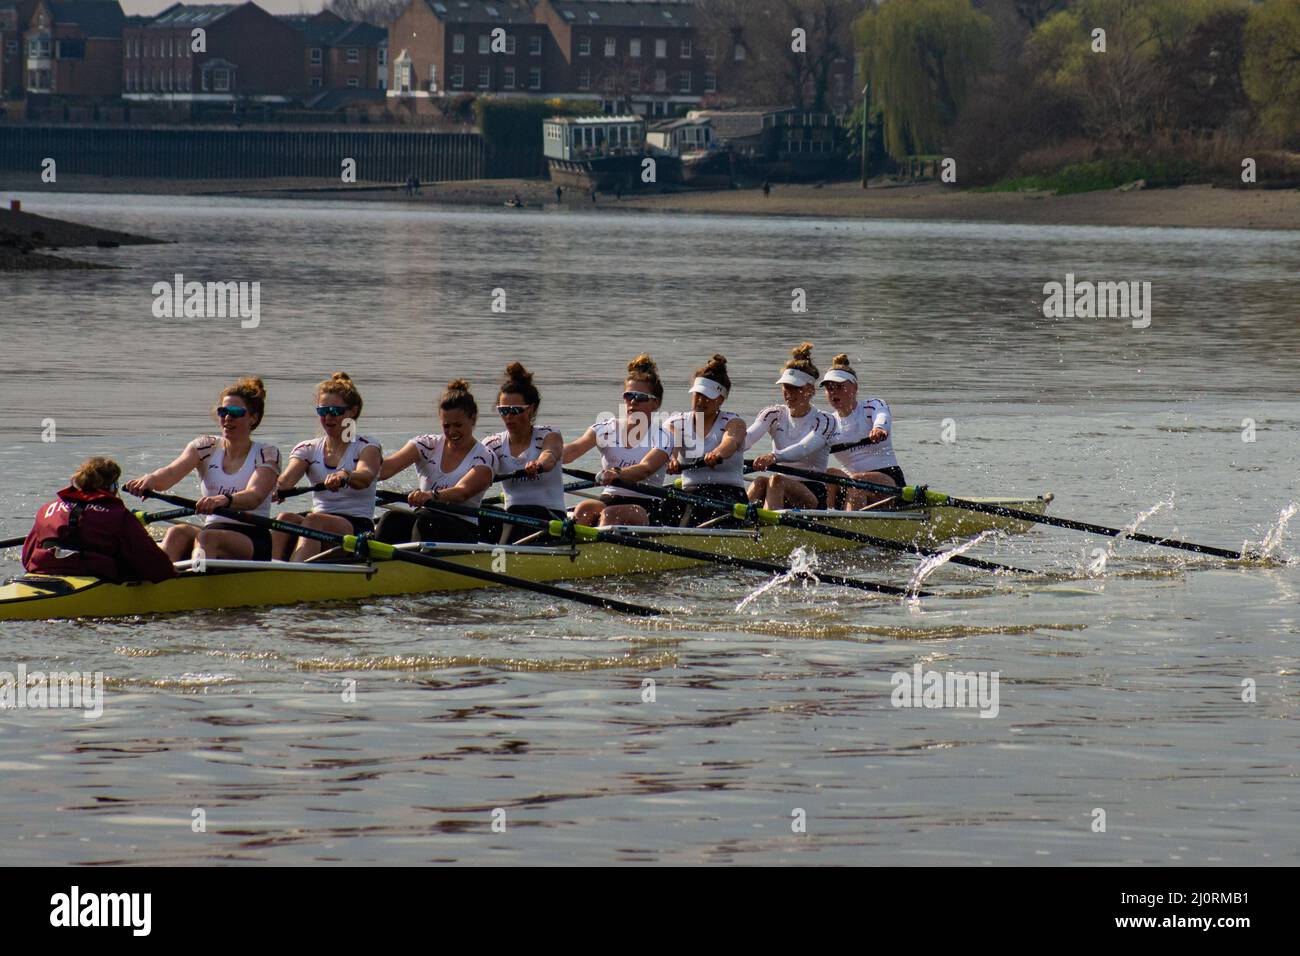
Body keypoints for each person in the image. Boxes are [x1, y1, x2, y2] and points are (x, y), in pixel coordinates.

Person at [124, 377, 281, 560]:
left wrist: (222, 500)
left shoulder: (267, 453)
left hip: (252, 536)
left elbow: (255, 496)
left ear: (253, 418)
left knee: (207, 538)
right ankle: (159, 580)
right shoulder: (206, 446)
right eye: (223, 411)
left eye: (235, 412)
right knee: (177, 533)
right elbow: (170, 473)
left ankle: (195, 582)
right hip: (212, 530)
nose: (227, 418)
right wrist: (150, 479)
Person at [271, 372, 382, 562]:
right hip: (320, 520)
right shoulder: (308, 448)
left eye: (335, 412)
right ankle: (265, 570)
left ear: (352, 411)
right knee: (284, 519)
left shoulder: (367, 446)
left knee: (314, 520)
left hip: (356, 526)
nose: (328, 417)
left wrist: (345, 475)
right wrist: (274, 488)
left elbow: (365, 476)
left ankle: (295, 574)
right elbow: (286, 480)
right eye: (323, 412)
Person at [375, 379, 495, 544]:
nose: (452, 432)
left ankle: (415, 566)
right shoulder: (427, 444)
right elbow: (384, 470)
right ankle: (381, 566)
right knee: (391, 519)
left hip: (463, 527)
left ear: (473, 419)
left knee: (427, 522)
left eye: (458, 425)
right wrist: (351, 473)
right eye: (446, 426)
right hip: (424, 518)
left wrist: (429, 496)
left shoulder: (484, 455)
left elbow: (462, 492)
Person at [22, 456, 175, 583]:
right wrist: (172, 573)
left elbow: (27, 558)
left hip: (43, 570)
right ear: (113, 486)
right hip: (92, 574)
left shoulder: (46, 509)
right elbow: (156, 567)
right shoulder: (119, 515)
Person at [562, 354, 671, 527]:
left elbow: (645, 469)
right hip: (608, 499)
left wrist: (618, 474)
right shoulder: (606, 429)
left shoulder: (663, 436)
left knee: (610, 515)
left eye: (640, 397)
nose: (633, 402)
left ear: (655, 404)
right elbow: (572, 451)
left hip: (645, 504)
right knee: (584, 509)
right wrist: (548, 454)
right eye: (629, 396)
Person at [744, 343, 838, 510]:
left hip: (812, 490)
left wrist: (773, 457)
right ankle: (736, 526)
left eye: (795, 388)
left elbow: (804, 448)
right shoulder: (773, 414)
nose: (789, 392)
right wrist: (723, 450)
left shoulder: (825, 420)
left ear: (810, 390)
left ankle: (768, 528)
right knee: (759, 482)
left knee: (776, 480)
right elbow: (748, 438)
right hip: (778, 487)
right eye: (786, 387)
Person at [480, 362, 566, 544]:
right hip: (513, 518)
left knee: (521, 512)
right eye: (503, 411)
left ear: (531, 409)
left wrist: (539, 464)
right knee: (483, 510)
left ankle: (501, 560)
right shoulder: (492, 444)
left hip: (551, 520)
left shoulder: (549, 435)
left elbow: (550, 455)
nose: (508, 417)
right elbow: (476, 471)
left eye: (515, 410)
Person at [664, 354, 748, 525]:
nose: (701, 401)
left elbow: (729, 443)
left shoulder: (734, 423)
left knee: (695, 507)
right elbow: (671, 443)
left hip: (728, 494)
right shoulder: (675, 422)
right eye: (698, 394)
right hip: (690, 492)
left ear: (721, 399)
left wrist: (716, 454)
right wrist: (671, 459)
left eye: (707, 396)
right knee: (661, 505)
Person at [820, 353, 906, 509]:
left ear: (855, 387)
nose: (833, 392)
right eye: (829, 388)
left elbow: (882, 415)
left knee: (857, 481)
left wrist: (879, 428)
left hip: (887, 479)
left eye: (839, 386)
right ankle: (824, 518)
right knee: (829, 474)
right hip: (851, 481)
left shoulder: (872, 406)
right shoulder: (828, 422)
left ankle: (849, 524)